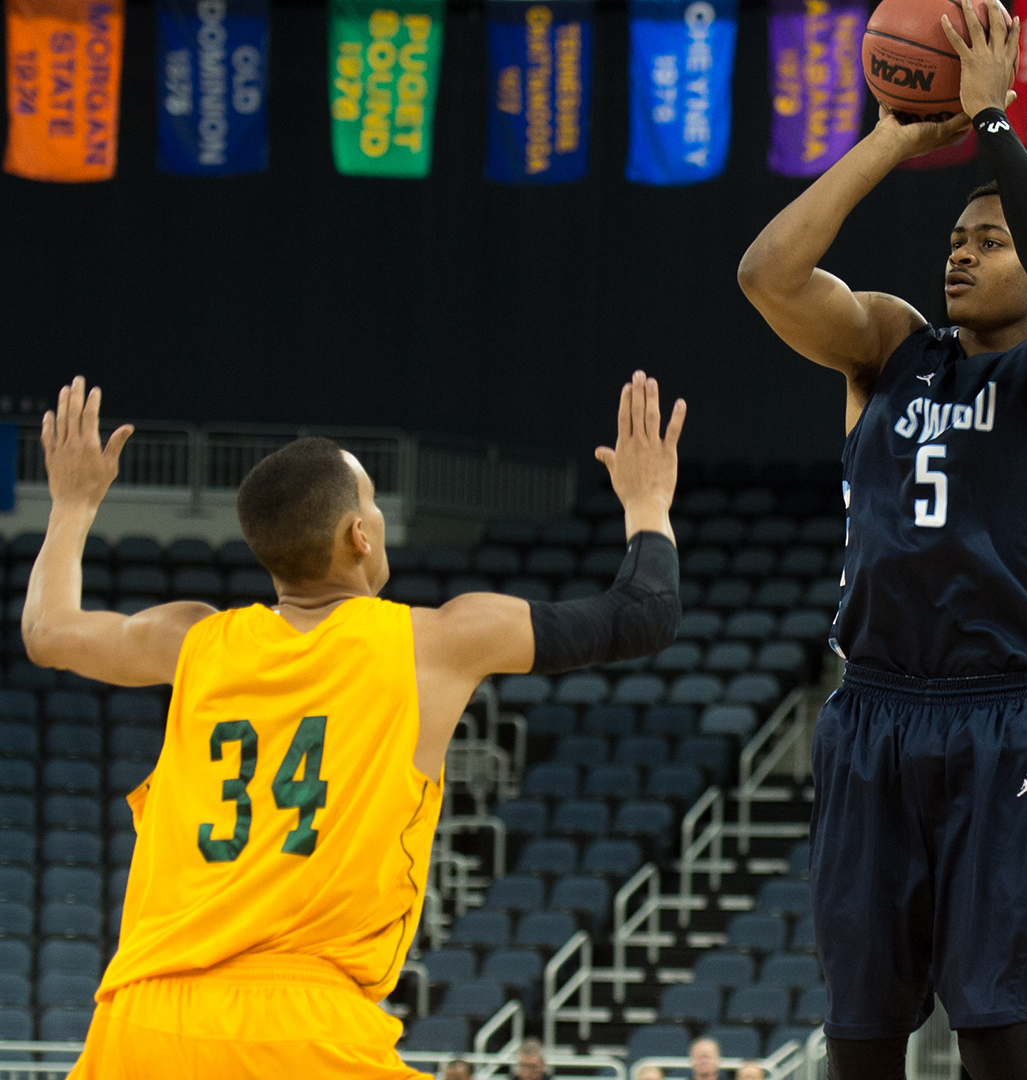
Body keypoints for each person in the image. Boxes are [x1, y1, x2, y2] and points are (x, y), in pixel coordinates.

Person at [25, 374, 685, 1077]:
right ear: (359, 536)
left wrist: (72, 503)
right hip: (305, 1027)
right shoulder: (435, 641)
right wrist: (646, 501)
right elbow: (643, 613)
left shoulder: (191, 641)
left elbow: (47, 630)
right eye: (369, 498)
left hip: (142, 1018)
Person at [737, 3, 1027, 1080]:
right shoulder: (891, 349)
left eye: (989, 241)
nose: (963, 253)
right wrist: (895, 135)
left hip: (1003, 718)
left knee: (994, 1025)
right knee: (860, 1039)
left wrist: (995, 120)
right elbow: (767, 275)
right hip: (868, 712)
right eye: (955, 237)